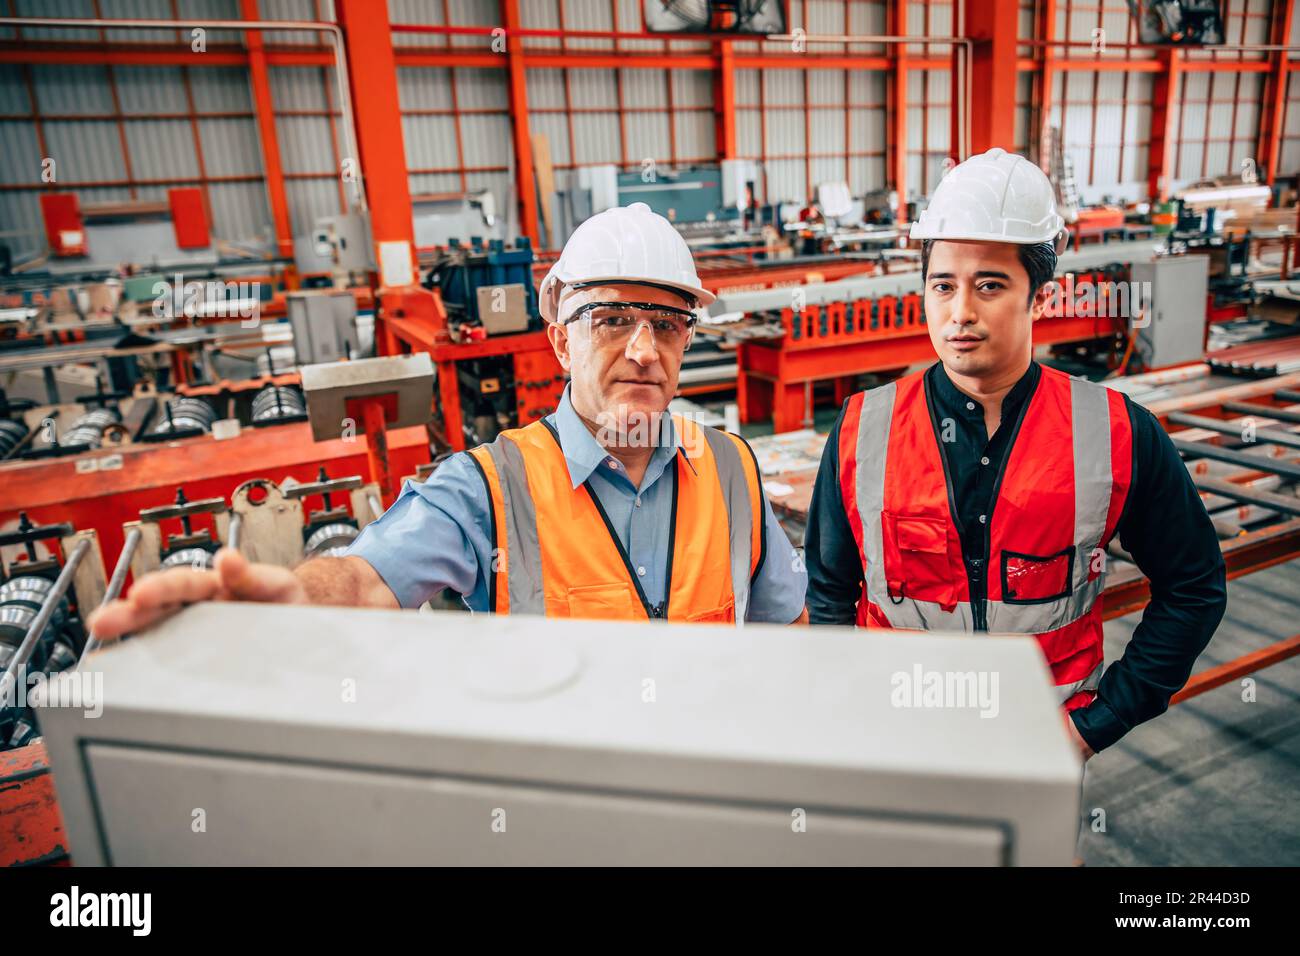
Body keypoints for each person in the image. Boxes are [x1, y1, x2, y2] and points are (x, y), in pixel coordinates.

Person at [91, 203, 807, 640]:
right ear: (561, 340)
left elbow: (789, 630)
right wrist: (286, 603)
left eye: (669, 325)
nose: (645, 350)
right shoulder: (490, 489)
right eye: (613, 320)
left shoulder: (734, 473)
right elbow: (369, 579)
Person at [804, 148, 1226, 758]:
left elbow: (1194, 587)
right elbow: (829, 591)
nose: (961, 313)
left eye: (990, 285)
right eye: (942, 285)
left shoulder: (1114, 433)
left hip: (1041, 750)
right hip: (894, 745)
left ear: (1040, 296)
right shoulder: (861, 430)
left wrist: (1094, 724)